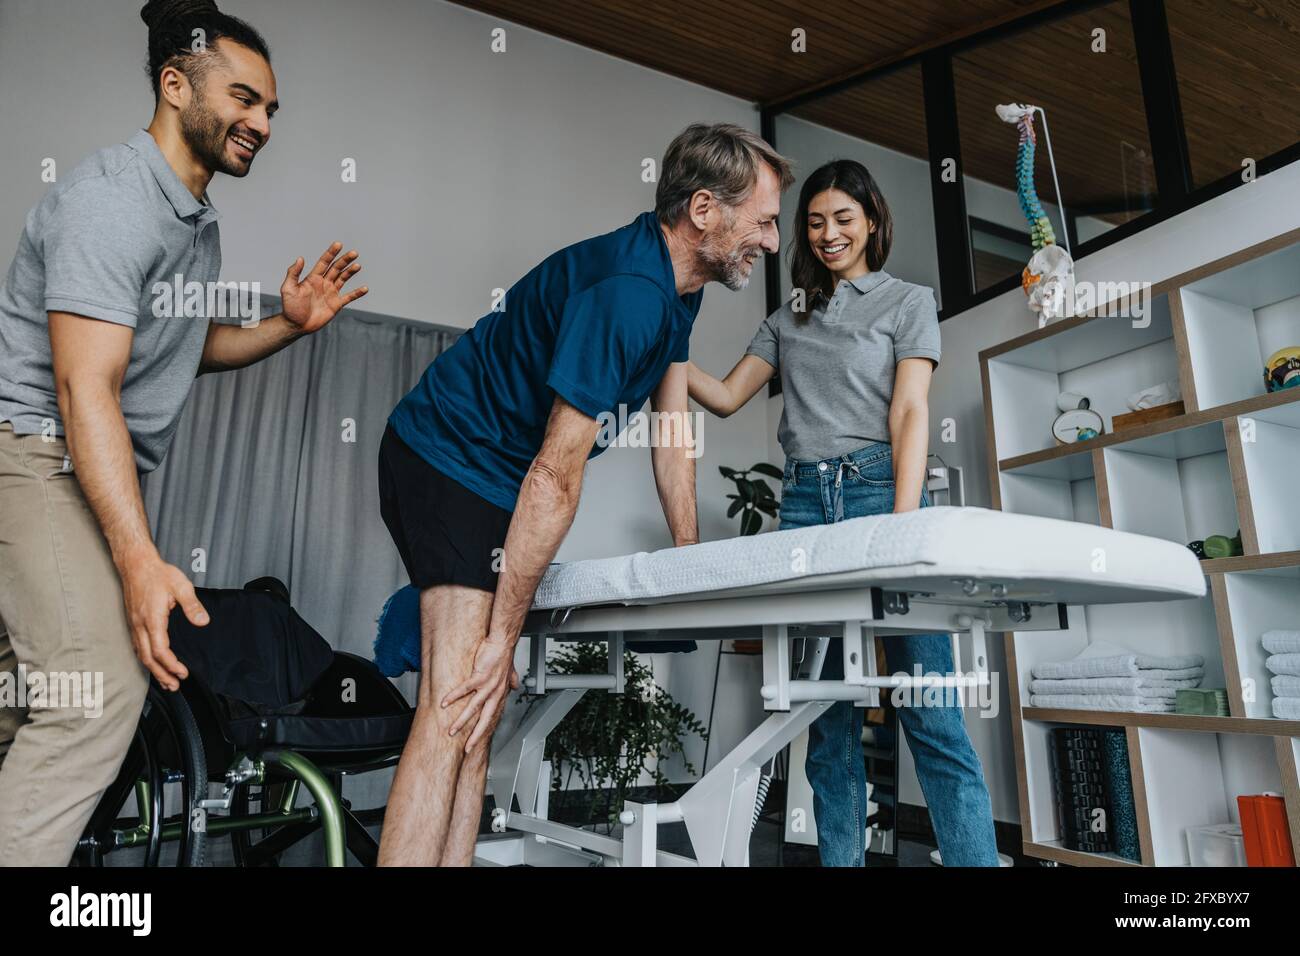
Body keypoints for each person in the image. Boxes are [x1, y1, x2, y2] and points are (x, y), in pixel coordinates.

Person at [0, 0, 367, 865]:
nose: (262, 123)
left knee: (24, 705)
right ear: (175, 84)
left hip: (71, 466)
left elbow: (178, 347)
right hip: (36, 458)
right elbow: (83, 385)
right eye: (245, 99)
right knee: (94, 698)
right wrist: (138, 561)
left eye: (271, 108)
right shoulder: (112, 203)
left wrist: (287, 323)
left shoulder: (192, 220)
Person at [375, 123, 793, 866]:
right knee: (456, 701)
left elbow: (673, 433)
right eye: (762, 219)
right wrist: (503, 635)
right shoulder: (630, 295)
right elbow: (554, 474)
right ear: (704, 210)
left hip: (494, 473)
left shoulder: (677, 289)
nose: (771, 238)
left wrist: (689, 563)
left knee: (477, 711)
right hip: (449, 458)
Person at [687, 159, 999, 867]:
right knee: (824, 715)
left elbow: (911, 409)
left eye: (844, 219)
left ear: (873, 222)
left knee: (930, 709)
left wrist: (901, 518)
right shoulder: (788, 316)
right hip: (804, 507)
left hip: (878, 491)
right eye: (816, 220)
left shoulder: (907, 302)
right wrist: (662, 350)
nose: (828, 233)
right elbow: (730, 394)